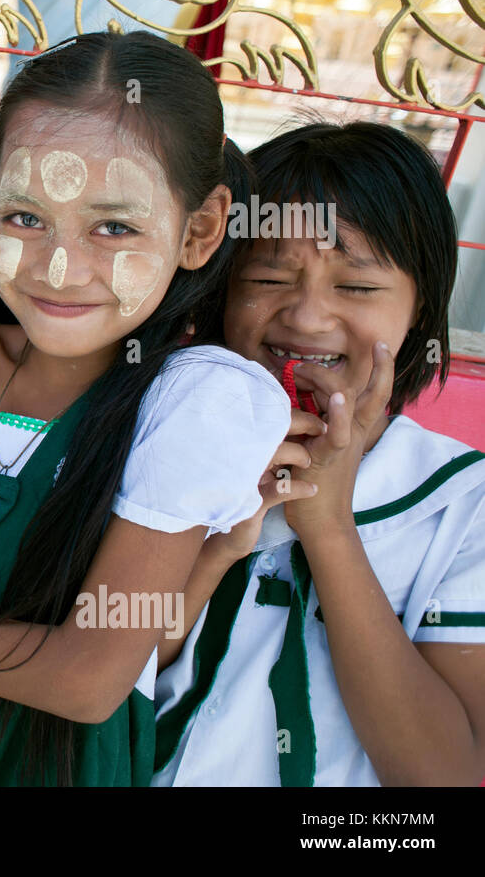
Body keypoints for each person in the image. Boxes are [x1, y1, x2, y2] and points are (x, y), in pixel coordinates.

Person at [0, 30, 290, 786]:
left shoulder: (191, 403)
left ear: (200, 230)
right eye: (26, 218)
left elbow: (88, 675)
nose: (60, 269)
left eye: (115, 227)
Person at [153, 121, 485, 786]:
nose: (307, 318)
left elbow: (441, 776)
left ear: (420, 307)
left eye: (357, 287)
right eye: (269, 276)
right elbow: (102, 663)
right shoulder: (160, 435)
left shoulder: (462, 503)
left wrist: (328, 524)